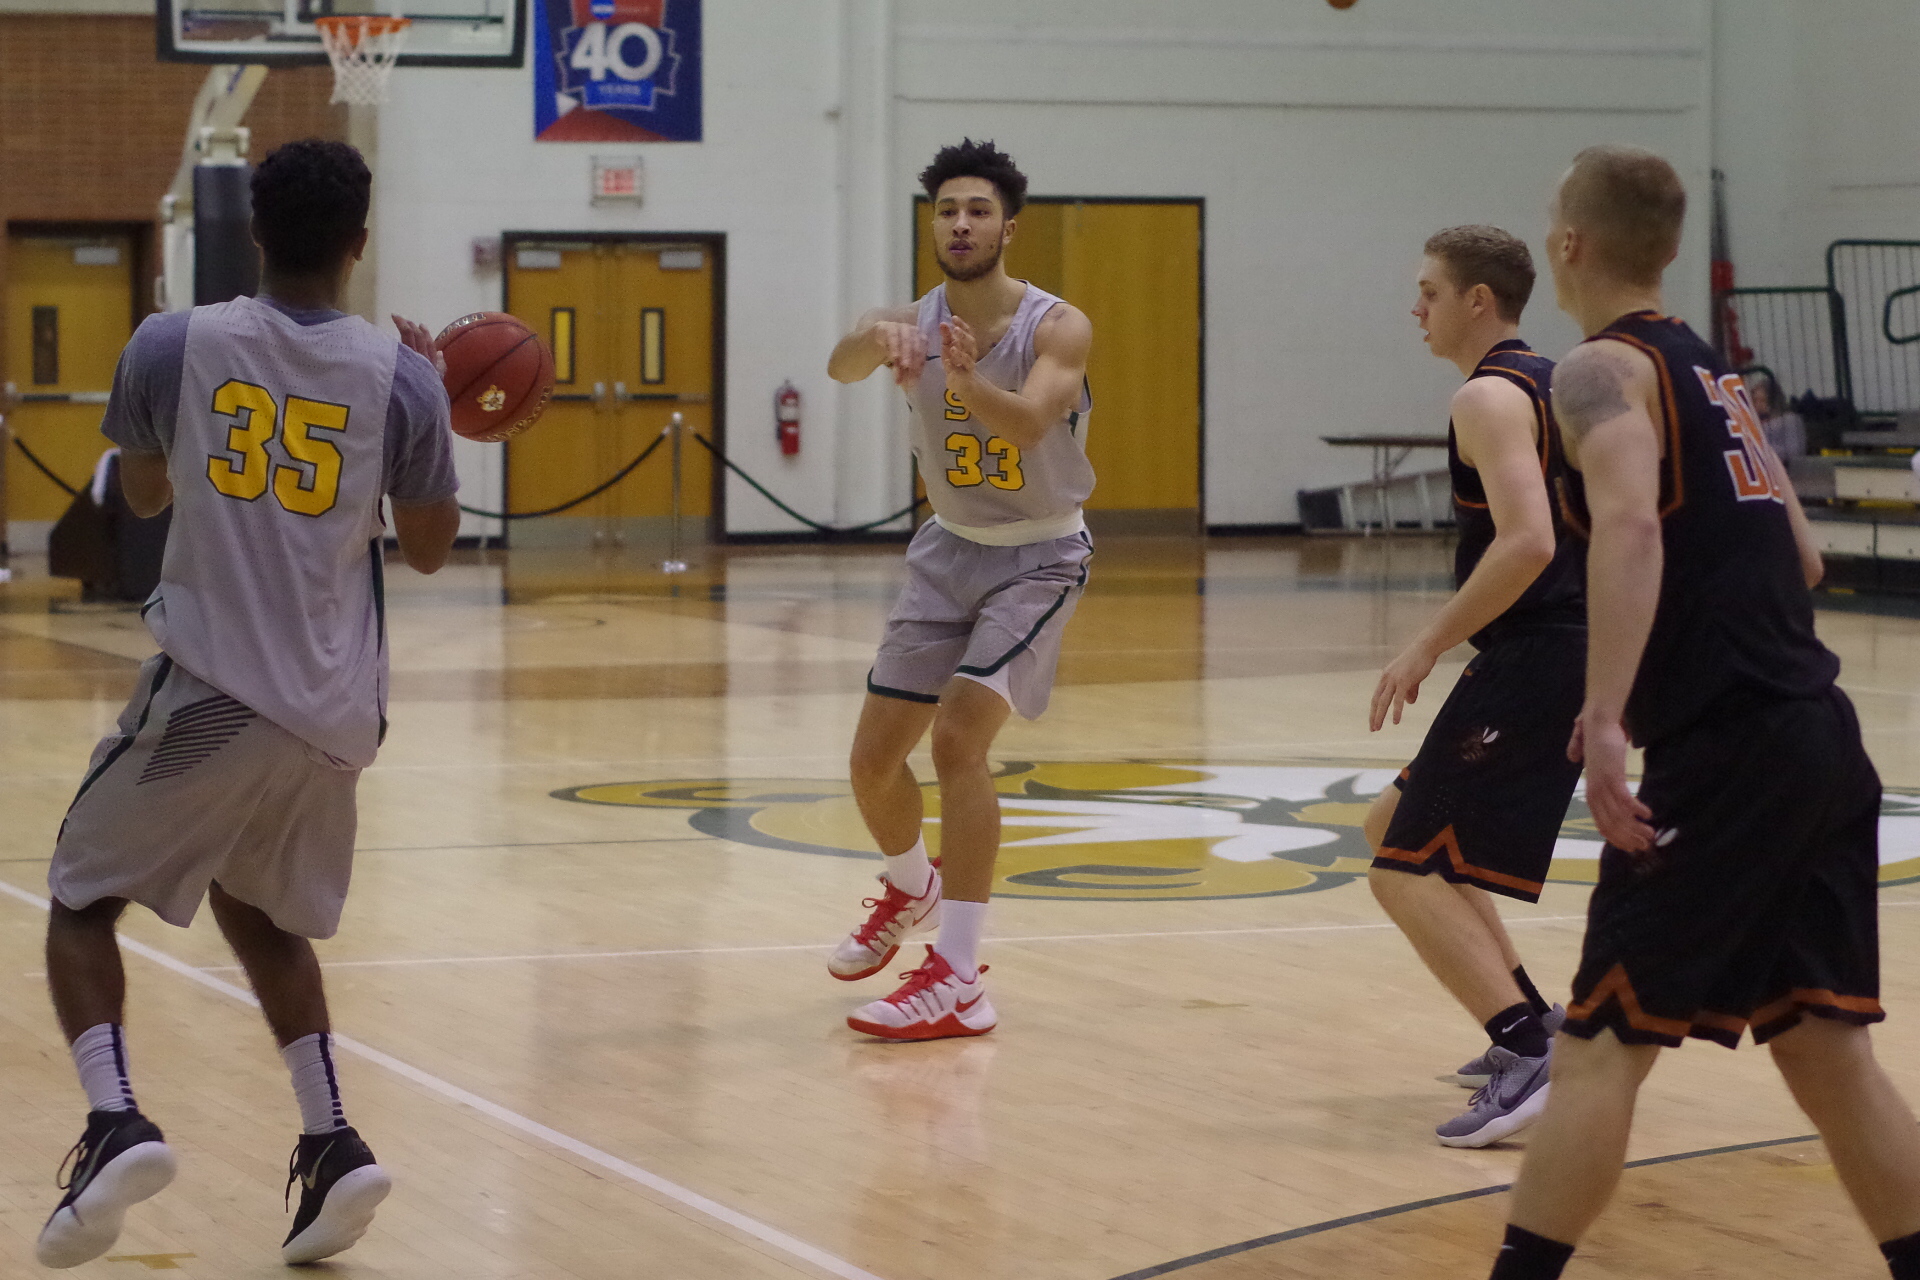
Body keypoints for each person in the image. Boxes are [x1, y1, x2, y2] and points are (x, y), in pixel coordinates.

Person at [1487, 144, 1920, 1280]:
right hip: (1819, 733)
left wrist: (1608, 713)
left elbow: (1631, 526)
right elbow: (1809, 558)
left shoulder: (1597, 373)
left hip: (1731, 748)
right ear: (1670, 249)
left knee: (1596, 1048)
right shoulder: (1718, 381)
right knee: (1830, 1056)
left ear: (1570, 244)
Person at [33, 139, 460, 1270]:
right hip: (335, 715)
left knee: (79, 896)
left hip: (217, 690)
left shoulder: (174, 341)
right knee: (258, 906)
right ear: (361, 242)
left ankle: (114, 1115)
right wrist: (441, 416)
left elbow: (139, 493)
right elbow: (427, 551)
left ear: (255, 231)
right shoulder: (403, 376)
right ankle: (332, 1140)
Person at [823, 138, 1095, 1040]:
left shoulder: (1058, 326)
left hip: (1039, 554)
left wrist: (964, 377)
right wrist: (874, 336)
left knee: (957, 743)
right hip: (948, 548)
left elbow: (1024, 426)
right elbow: (840, 366)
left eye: (977, 210)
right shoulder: (911, 316)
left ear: (1008, 227)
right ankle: (912, 890)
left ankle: (960, 977)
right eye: (946, 210)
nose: (961, 224)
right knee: (870, 762)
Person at [1365, 226, 1586, 1148]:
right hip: (1566, 646)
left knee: (1402, 871)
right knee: (1392, 827)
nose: (1415, 308)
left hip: (1539, 650)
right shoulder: (1562, 381)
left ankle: (1526, 1049)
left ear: (1477, 302)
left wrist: (1423, 645)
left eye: (1428, 291)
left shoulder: (1488, 396)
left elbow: (1530, 541)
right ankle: (1541, 1027)